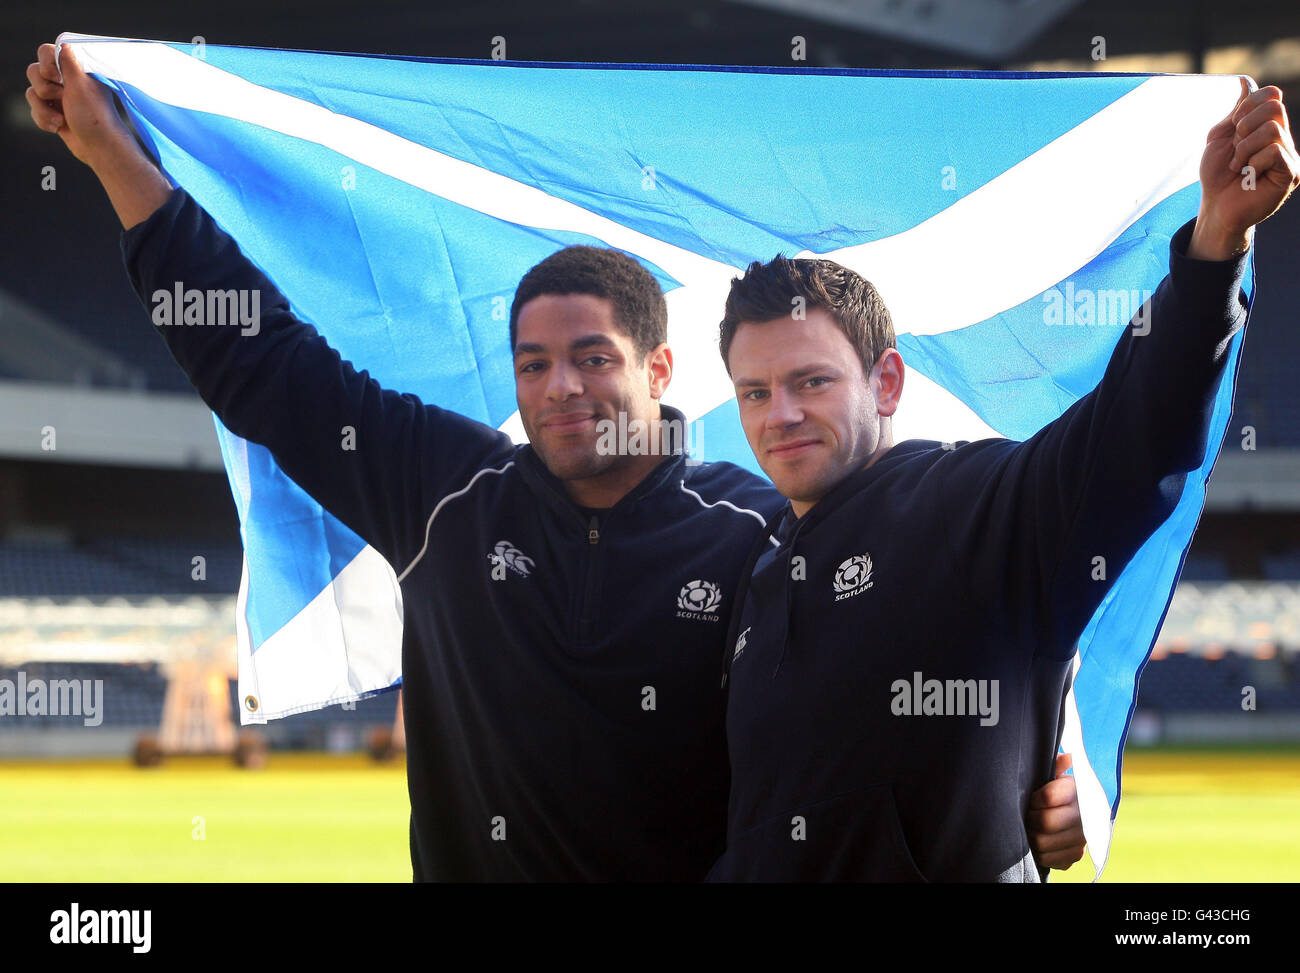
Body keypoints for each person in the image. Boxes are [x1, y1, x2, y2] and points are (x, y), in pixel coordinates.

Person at [26, 39, 1086, 880]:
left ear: (660, 366)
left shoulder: (763, 530)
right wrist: (116, 160)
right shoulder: (442, 490)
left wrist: (1041, 771)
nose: (560, 387)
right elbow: (261, 364)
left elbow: (934, 637)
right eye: (532, 363)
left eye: (591, 357)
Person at [708, 81, 1298, 881]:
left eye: (811, 381)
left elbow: (1133, 437)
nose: (779, 414)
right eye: (754, 391)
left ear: (885, 383)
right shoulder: (753, 562)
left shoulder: (977, 503)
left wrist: (1215, 243)